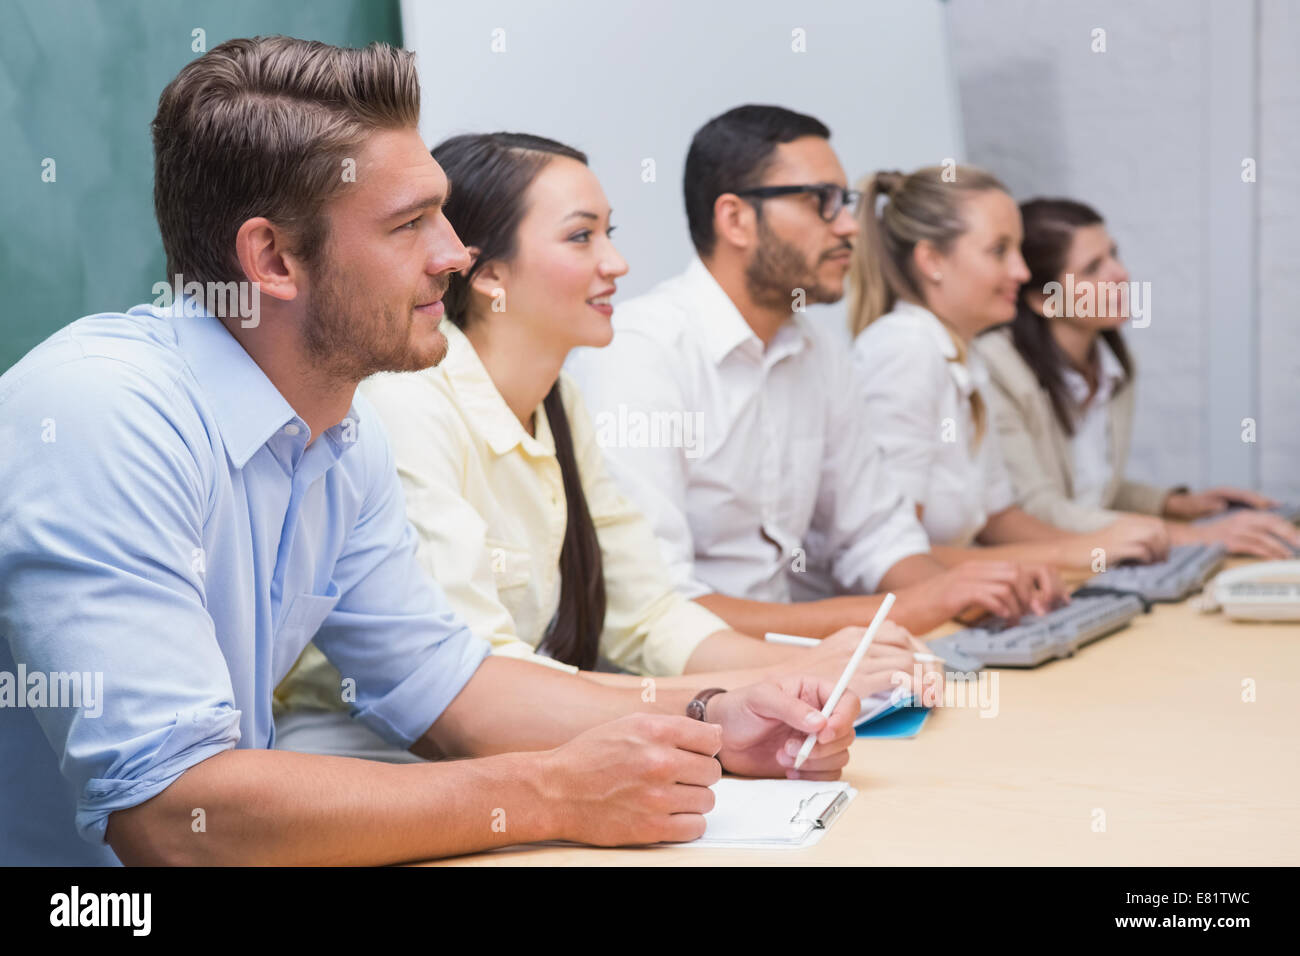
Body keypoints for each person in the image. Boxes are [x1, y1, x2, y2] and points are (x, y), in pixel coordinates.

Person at [0, 38, 858, 867]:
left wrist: (713, 717)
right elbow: (173, 818)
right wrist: (550, 793)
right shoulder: (100, 413)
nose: (454, 254)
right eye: (411, 224)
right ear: (271, 258)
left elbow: (449, 686)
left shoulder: (339, 432)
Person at [275, 132, 932, 759]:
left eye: (608, 235)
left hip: (515, 746)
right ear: (487, 274)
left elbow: (646, 613)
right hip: (377, 761)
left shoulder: (559, 402)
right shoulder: (405, 404)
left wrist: (806, 671)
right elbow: (477, 678)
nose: (616, 263)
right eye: (581, 237)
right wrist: (758, 687)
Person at [567, 105, 1065, 640]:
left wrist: (969, 599)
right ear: (735, 219)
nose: (849, 226)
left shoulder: (817, 353)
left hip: (792, 671)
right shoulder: (638, 353)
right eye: (820, 202)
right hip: (689, 690)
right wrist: (918, 608)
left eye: (845, 202)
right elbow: (661, 609)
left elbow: (876, 536)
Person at [847, 167, 1173, 571]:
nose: (1021, 271)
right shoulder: (903, 349)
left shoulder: (966, 355)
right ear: (932, 260)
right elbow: (893, 550)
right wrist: (1071, 553)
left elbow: (1000, 519)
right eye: (999, 251)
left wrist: (1097, 549)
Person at [972, 197, 1298, 558]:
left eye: (1114, 254)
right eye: (1093, 268)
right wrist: (1192, 536)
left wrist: (1175, 504)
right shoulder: (996, 368)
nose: (1120, 274)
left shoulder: (1113, 366)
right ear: (1042, 299)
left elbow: (1088, 491)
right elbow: (1035, 510)